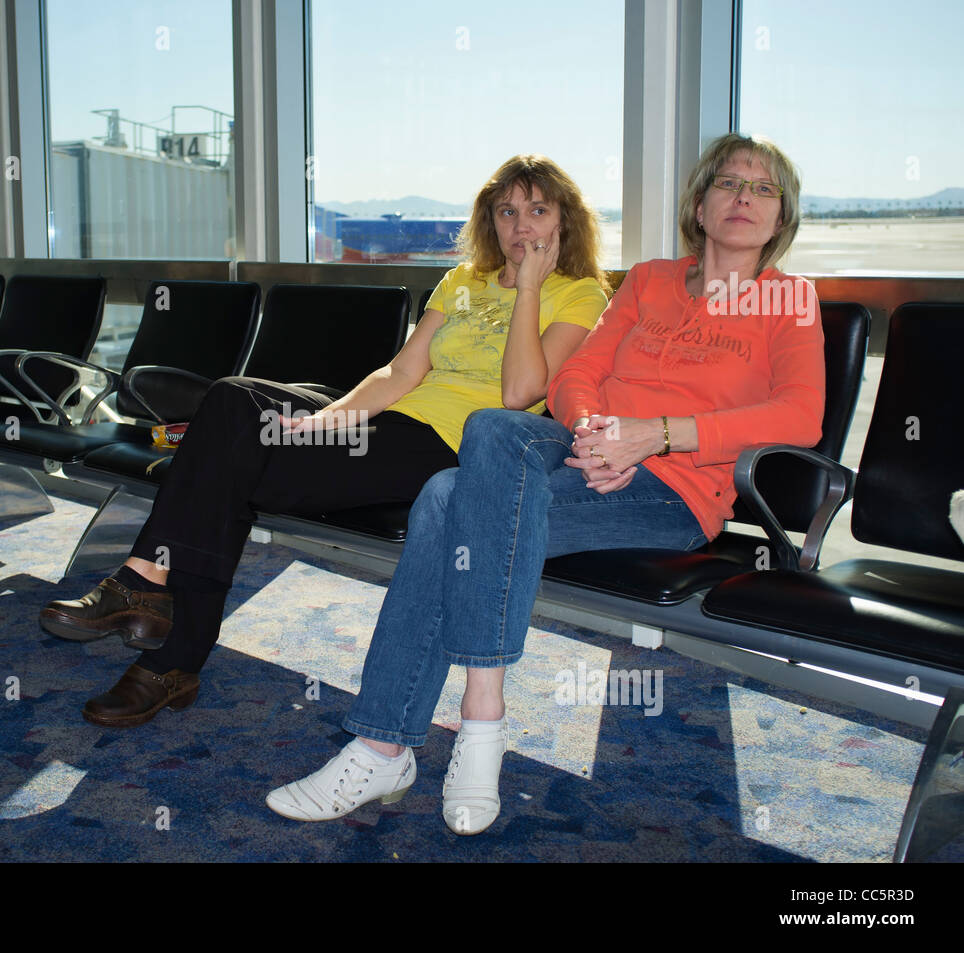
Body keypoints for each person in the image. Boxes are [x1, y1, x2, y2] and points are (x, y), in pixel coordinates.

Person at [266, 132, 825, 835]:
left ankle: (413, 736)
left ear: (781, 217)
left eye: (763, 188)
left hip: (672, 486)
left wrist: (655, 433)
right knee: (495, 427)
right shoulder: (648, 281)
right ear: (701, 204)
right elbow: (575, 375)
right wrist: (593, 430)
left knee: (446, 499)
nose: (744, 196)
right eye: (729, 183)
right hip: (581, 451)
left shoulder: (790, 301)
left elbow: (799, 416)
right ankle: (462, 731)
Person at [39, 155, 612, 727]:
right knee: (232, 399)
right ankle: (155, 605)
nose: (521, 226)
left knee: (221, 475)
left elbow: (519, 393)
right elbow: (401, 372)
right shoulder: (464, 280)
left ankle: (162, 633)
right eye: (507, 211)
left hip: (448, 445)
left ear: (566, 220)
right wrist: (328, 420)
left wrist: (530, 289)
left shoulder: (581, 294)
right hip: (385, 423)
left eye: (538, 210)